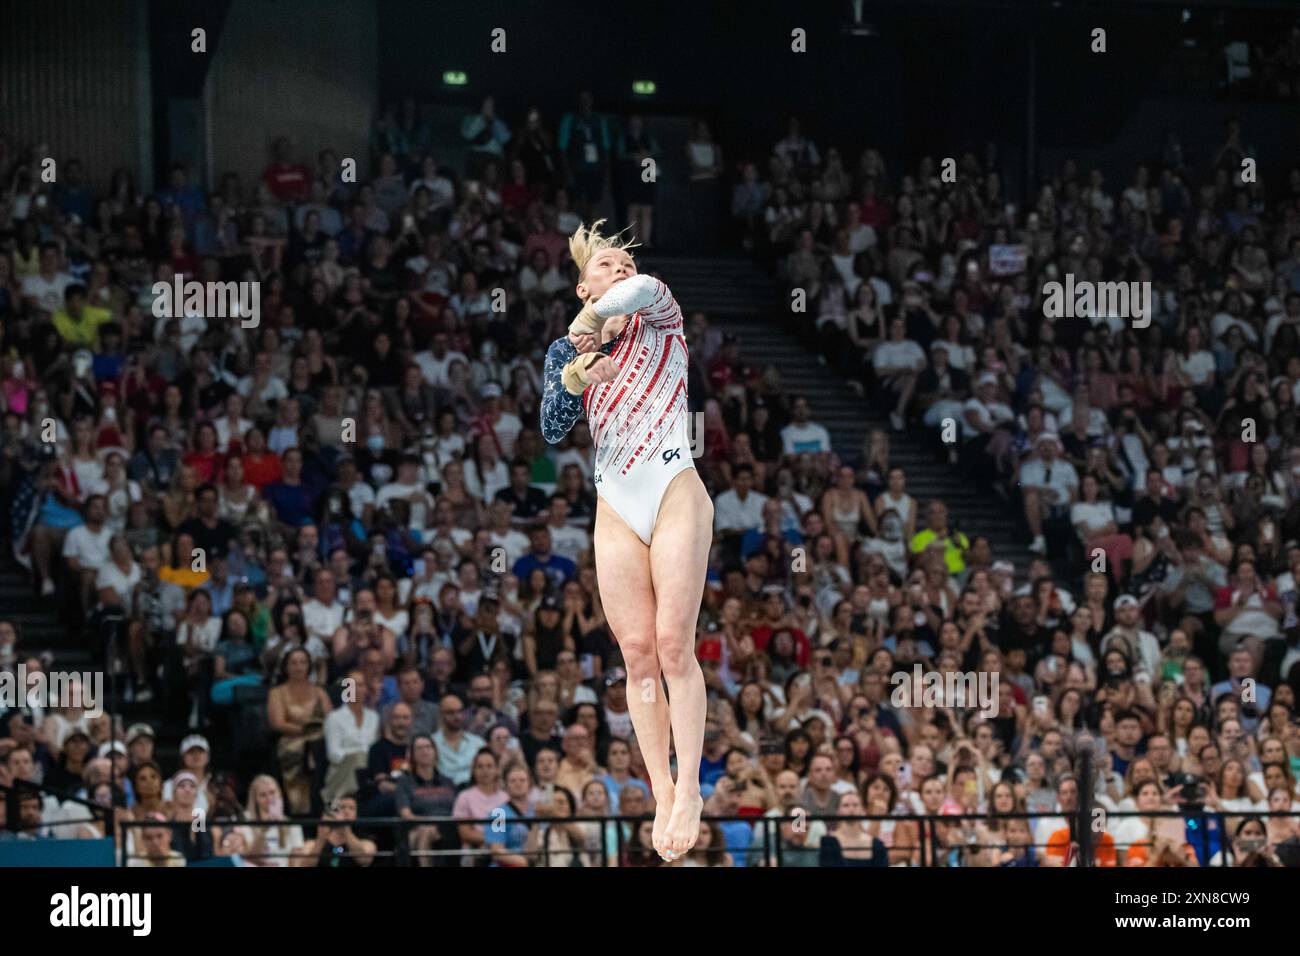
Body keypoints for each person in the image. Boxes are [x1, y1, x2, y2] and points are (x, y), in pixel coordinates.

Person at [540, 221, 713, 862]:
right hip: (615, 501)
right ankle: (662, 790)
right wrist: (575, 377)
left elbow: (636, 289)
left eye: (622, 262)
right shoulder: (569, 352)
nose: (619, 269)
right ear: (582, 282)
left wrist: (592, 314)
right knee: (637, 654)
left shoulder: (658, 315)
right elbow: (553, 428)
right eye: (604, 264)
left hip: (673, 488)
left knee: (673, 645)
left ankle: (692, 784)